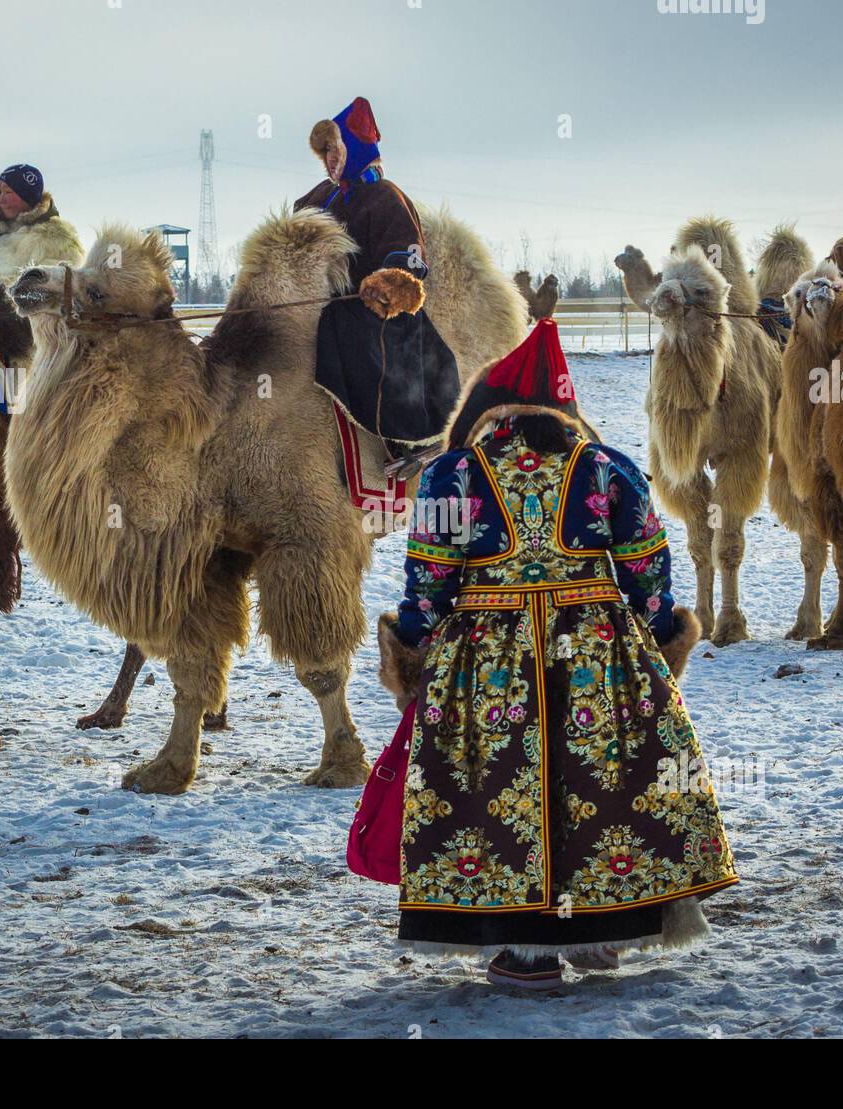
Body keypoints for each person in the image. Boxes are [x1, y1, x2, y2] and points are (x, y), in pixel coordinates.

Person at [375, 319, 739, 990]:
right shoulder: (607, 468)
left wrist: (412, 648)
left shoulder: (454, 474)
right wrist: (658, 638)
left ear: (491, 409)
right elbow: (648, 572)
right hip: (597, 649)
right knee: (600, 782)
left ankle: (524, 949)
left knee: (500, 786)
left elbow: (428, 583)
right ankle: (600, 930)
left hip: (490, 653)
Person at [294, 97, 458, 456]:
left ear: (353, 150)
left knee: (342, 323)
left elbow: (407, 260)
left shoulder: (386, 197)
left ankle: (397, 435)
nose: (329, 161)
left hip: (373, 308)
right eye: (325, 154)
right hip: (323, 298)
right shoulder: (324, 196)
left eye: (335, 151)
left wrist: (385, 285)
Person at [0, 164, 84, 293]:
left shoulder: (57, 241)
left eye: (8, 192)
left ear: (28, 197)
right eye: (0, 191)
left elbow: (54, 295)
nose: (1, 200)